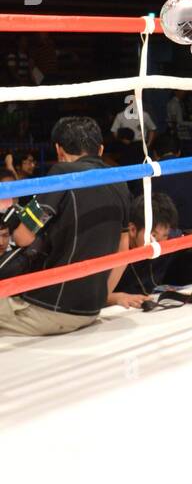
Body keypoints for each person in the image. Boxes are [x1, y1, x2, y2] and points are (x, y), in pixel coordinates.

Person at [0, 117, 130, 336]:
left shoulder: (63, 173)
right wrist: (97, 299)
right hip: (89, 309)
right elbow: (123, 247)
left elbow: (23, 236)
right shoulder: (120, 181)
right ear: (100, 149)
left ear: (59, 150)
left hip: (47, 308)